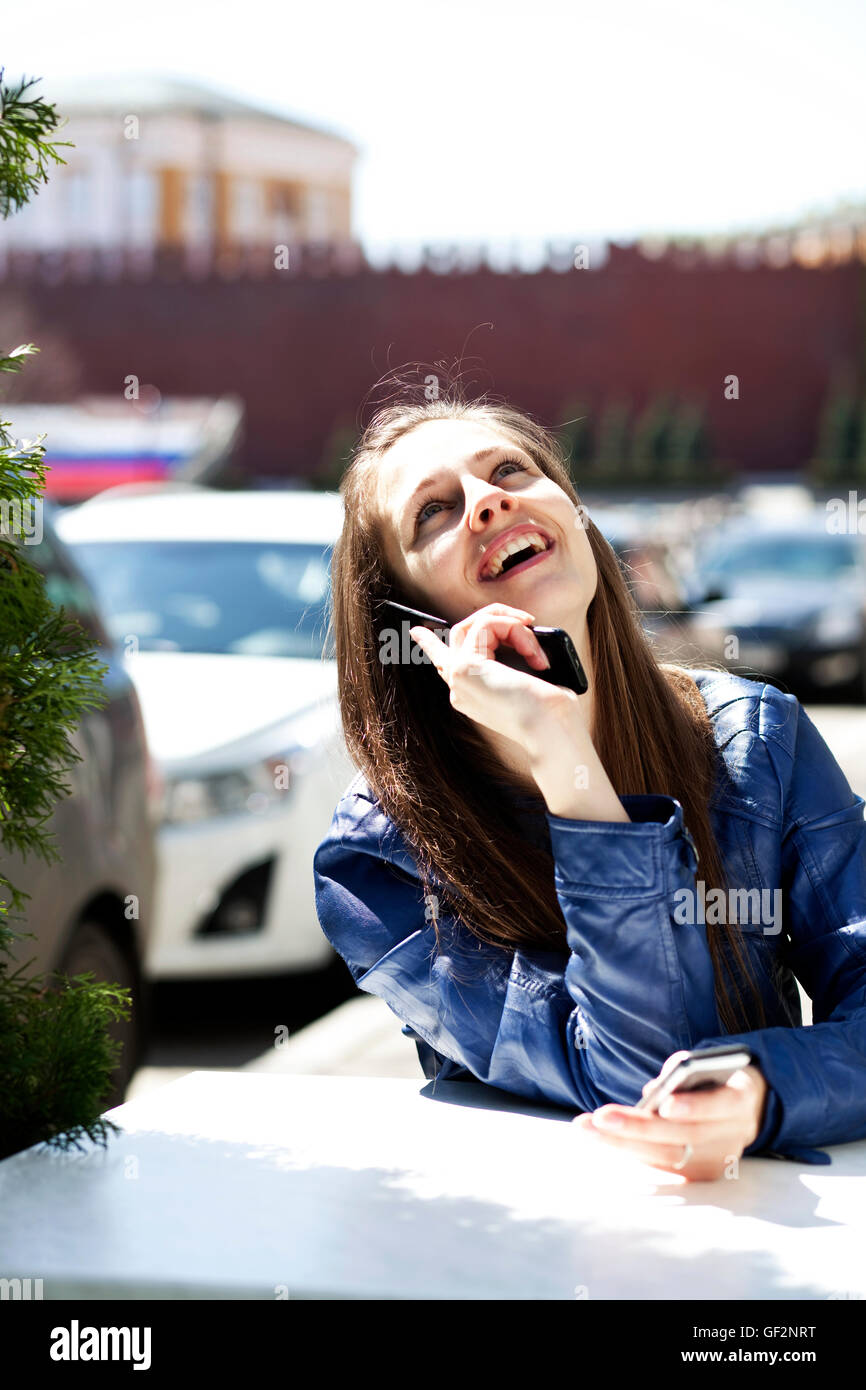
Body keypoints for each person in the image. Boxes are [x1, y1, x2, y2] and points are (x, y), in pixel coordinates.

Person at [313, 375, 866, 1182]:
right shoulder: (379, 864)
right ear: (408, 622)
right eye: (433, 512)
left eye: (509, 473)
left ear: (575, 515)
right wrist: (558, 751)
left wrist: (761, 1089)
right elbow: (639, 1079)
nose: (487, 503)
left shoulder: (757, 740)